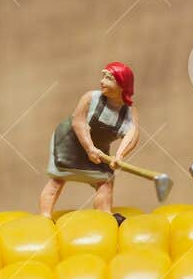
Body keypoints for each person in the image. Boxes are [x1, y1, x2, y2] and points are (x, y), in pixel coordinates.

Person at [41, 63, 140, 221]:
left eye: (109, 78)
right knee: (58, 179)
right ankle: (45, 217)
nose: (102, 81)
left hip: (98, 149)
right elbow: (78, 123)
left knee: (106, 181)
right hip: (69, 142)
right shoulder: (90, 98)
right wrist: (89, 149)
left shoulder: (129, 111)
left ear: (123, 84)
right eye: (103, 76)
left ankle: (104, 215)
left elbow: (132, 134)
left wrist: (119, 156)